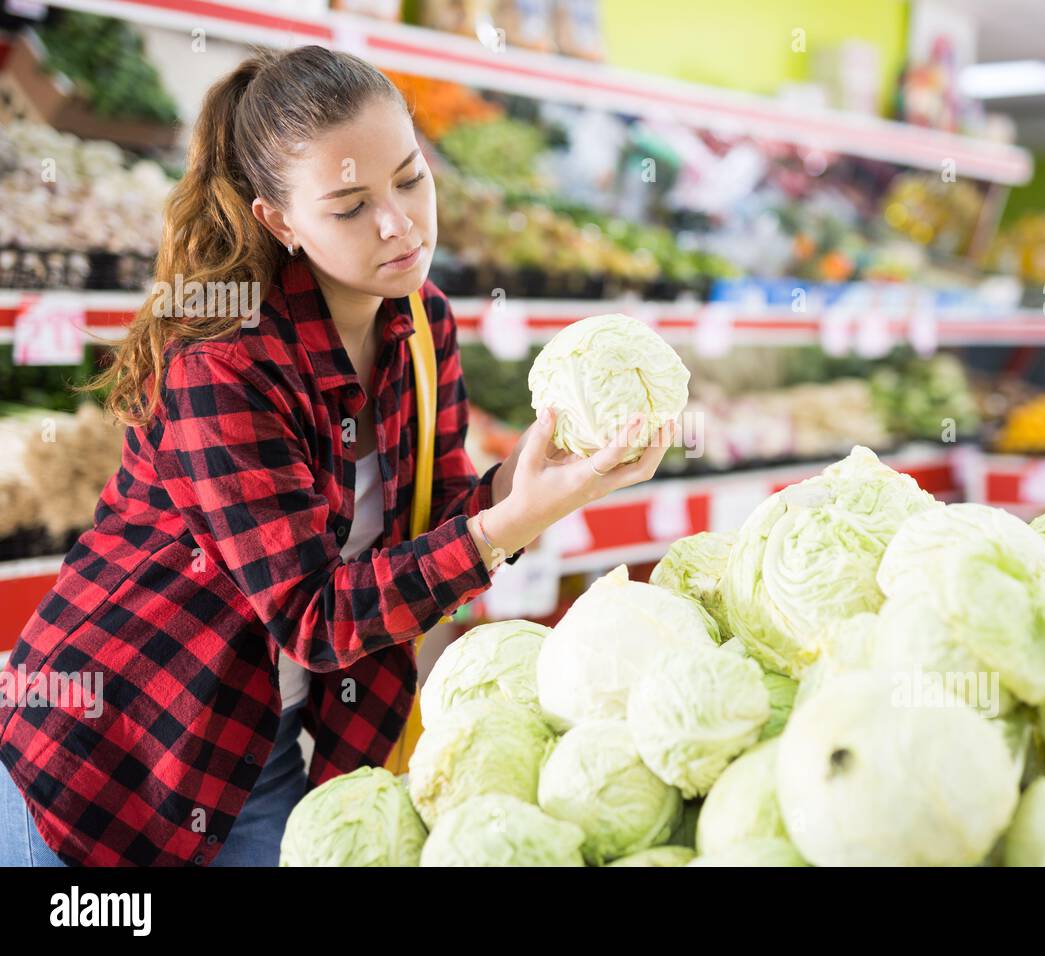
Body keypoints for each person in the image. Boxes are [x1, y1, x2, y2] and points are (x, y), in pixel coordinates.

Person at [0, 45, 672, 867]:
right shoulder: (225, 361)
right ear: (279, 221)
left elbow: (431, 516)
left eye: (411, 178)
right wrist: (507, 525)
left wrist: (534, 479)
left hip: (260, 740)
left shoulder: (421, 320)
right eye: (350, 206)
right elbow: (315, 616)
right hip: (114, 753)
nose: (398, 223)